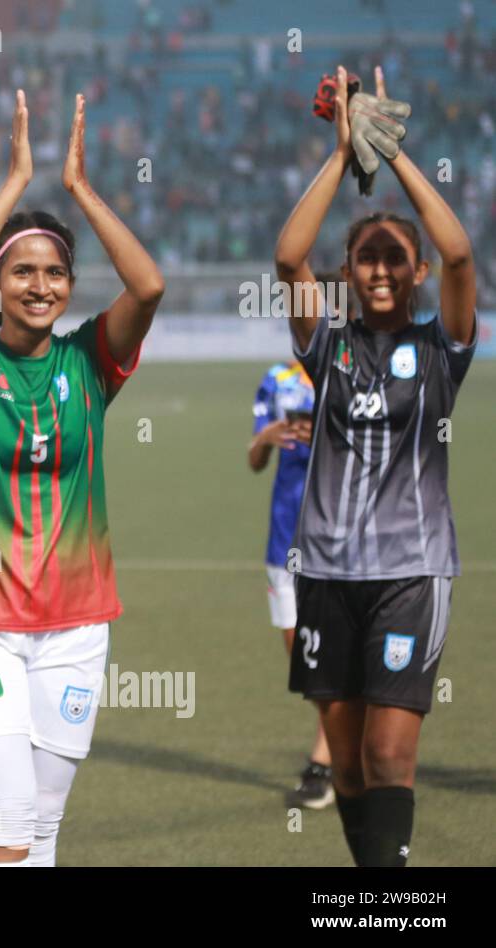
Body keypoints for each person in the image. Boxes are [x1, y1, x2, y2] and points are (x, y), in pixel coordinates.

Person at [0, 90, 164, 866]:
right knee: (5, 813)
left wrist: (82, 190)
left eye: (55, 272)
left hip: (75, 625)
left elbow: (149, 287)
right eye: (21, 271)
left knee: (45, 823)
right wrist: (17, 182)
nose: (39, 285)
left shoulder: (88, 362)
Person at [275, 67, 476, 866]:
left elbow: (459, 252)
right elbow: (291, 258)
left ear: (417, 274)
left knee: (390, 757)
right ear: (349, 273)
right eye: (367, 258)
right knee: (350, 766)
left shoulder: (440, 349)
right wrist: (340, 155)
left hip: (409, 572)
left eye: (397, 258)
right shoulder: (326, 345)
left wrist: (392, 156)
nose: (383, 269)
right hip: (324, 571)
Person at [248, 356, 329, 807]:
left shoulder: (349, 369)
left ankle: (325, 761)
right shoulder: (276, 380)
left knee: (330, 651)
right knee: (303, 659)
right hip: (285, 538)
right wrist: (267, 436)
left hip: (338, 537)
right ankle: (344, 737)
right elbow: (255, 461)